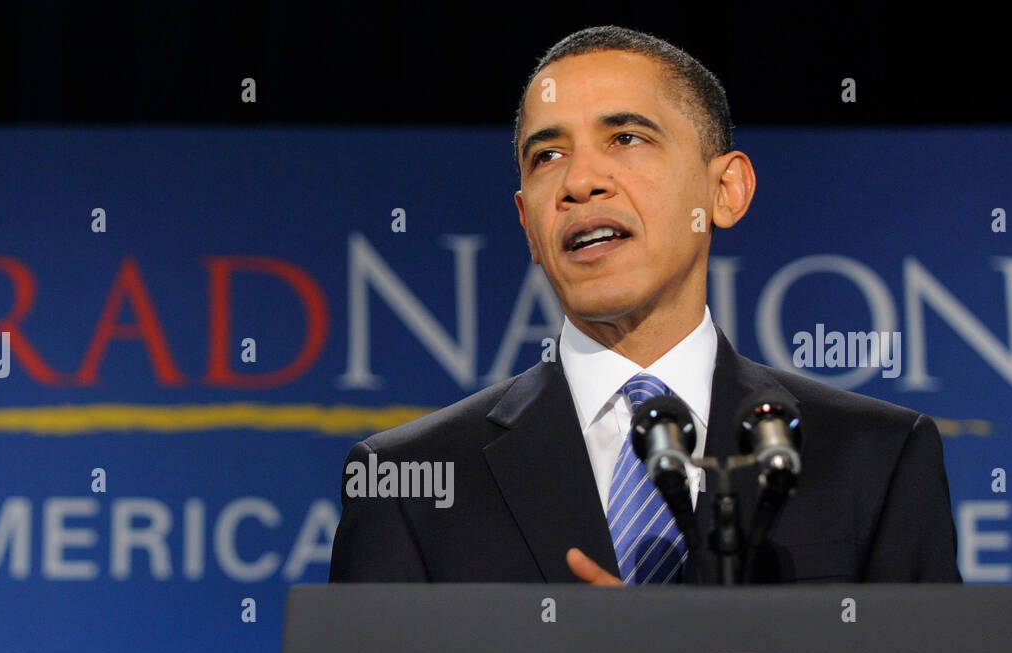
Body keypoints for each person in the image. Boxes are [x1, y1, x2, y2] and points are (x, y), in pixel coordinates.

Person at [329, 25, 962, 585]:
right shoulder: (407, 481)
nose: (579, 182)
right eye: (547, 156)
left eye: (627, 138)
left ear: (725, 190)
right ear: (527, 224)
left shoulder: (874, 457)